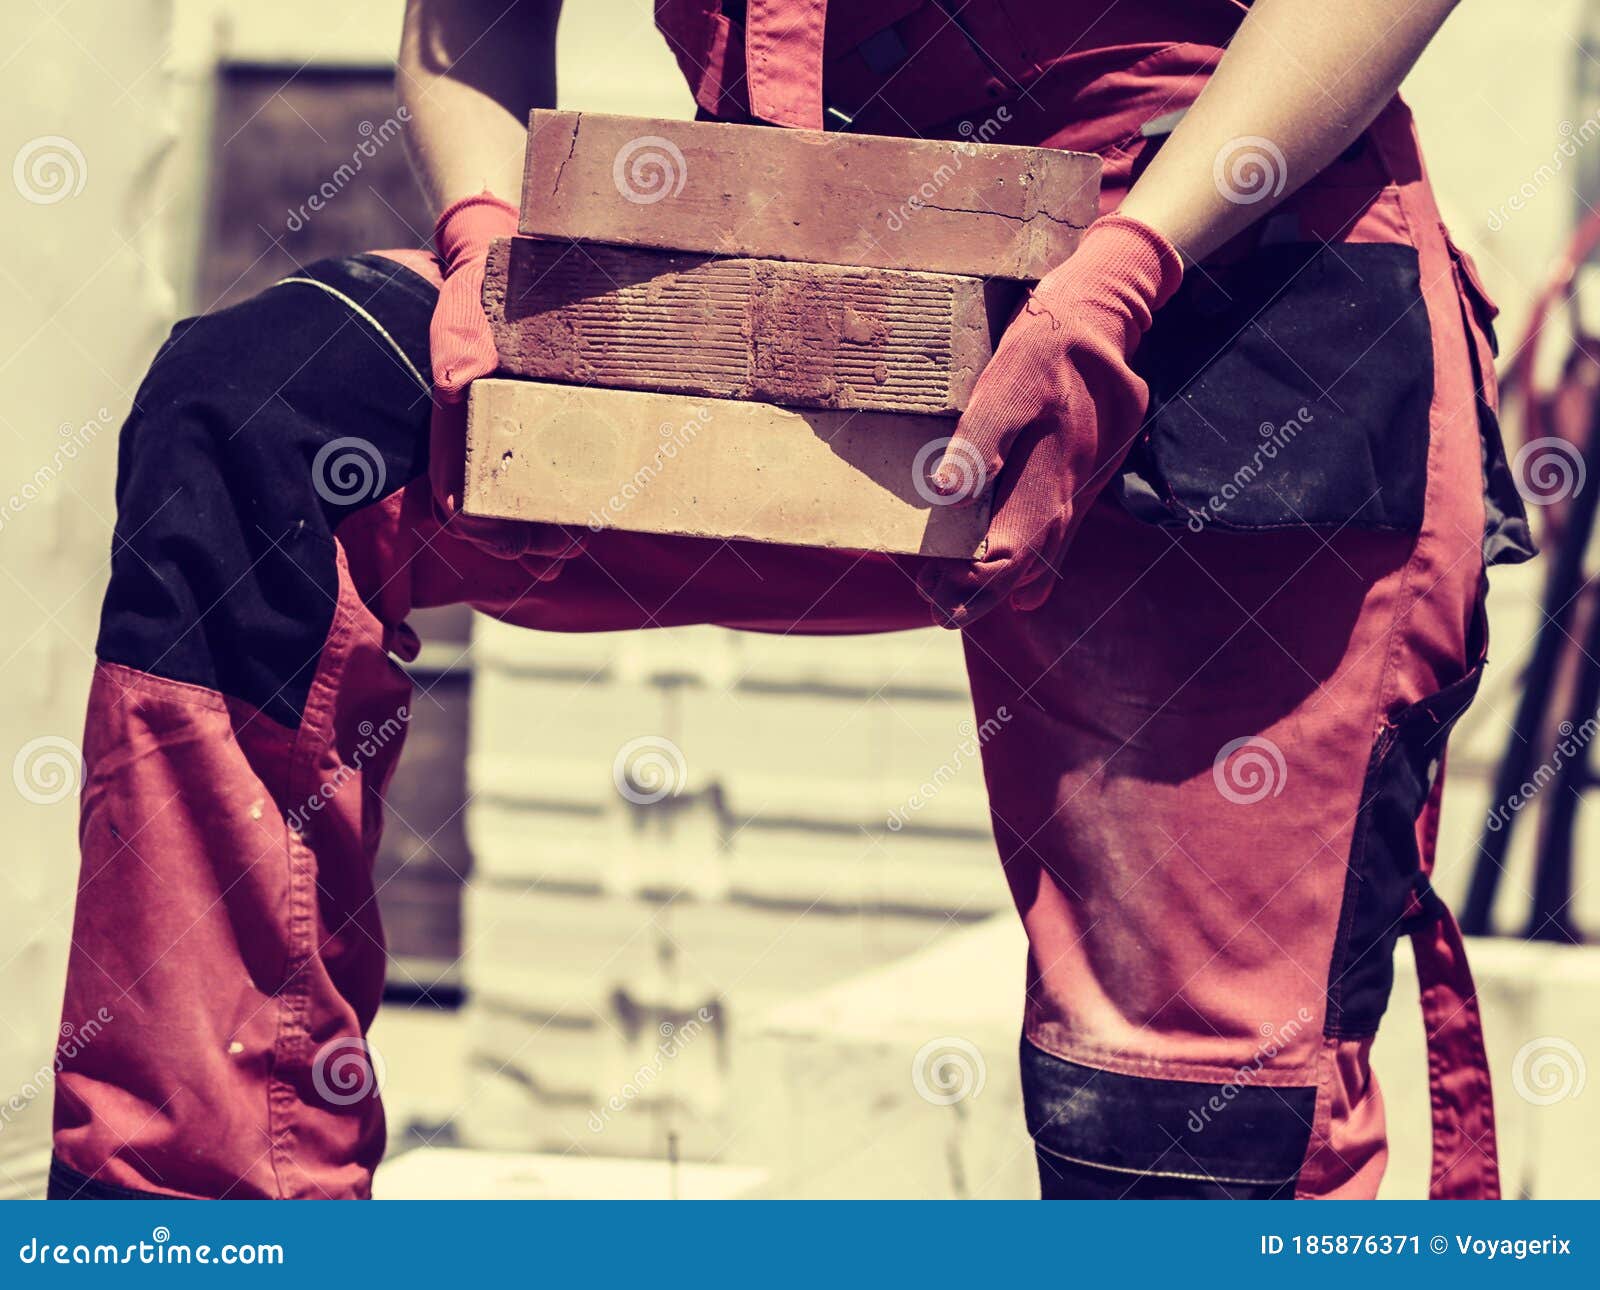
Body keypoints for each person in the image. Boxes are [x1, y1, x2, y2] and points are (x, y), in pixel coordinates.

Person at [50, 0, 1531, 1200]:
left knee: (1174, 1140)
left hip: (1223, 301)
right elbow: (473, 21)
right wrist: (487, 249)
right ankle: (193, 1218)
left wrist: (1125, 271)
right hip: (822, 292)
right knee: (262, 421)